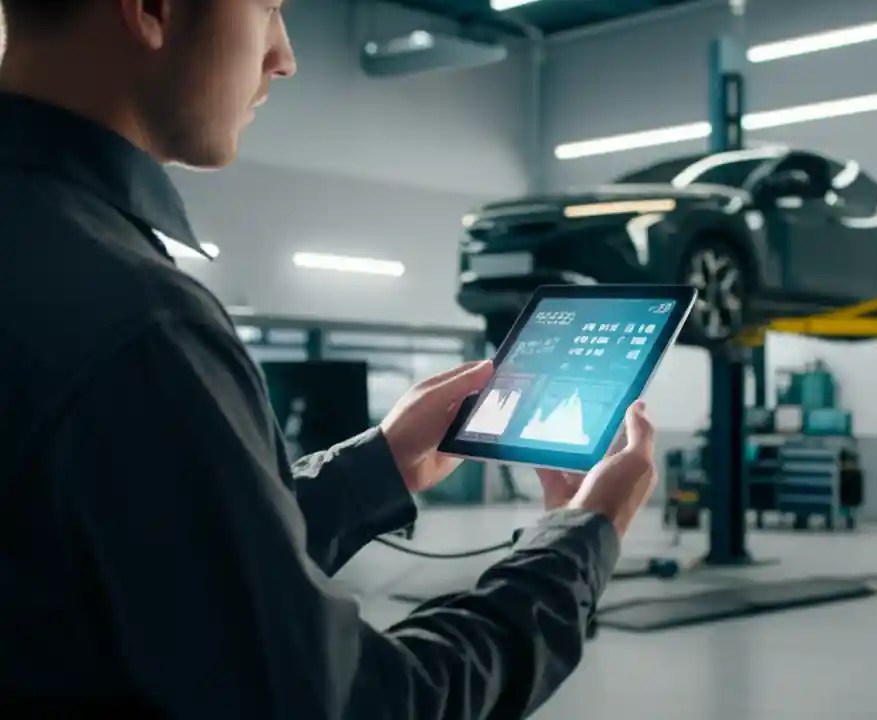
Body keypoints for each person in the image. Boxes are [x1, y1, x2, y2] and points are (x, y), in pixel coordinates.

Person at [0, 1, 659, 717]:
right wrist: (578, 546)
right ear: (154, 9)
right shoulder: (143, 325)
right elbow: (355, 705)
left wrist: (381, 466)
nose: (283, 57)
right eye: (269, 9)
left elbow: (174, 572)